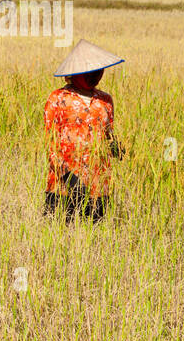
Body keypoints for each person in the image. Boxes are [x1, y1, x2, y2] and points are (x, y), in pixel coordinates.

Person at [43, 39, 124, 222]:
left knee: (95, 235)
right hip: (63, 184)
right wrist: (67, 175)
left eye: (96, 71)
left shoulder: (105, 100)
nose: (93, 75)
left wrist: (117, 148)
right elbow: (51, 142)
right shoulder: (58, 98)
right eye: (88, 72)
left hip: (98, 183)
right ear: (75, 73)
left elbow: (108, 134)